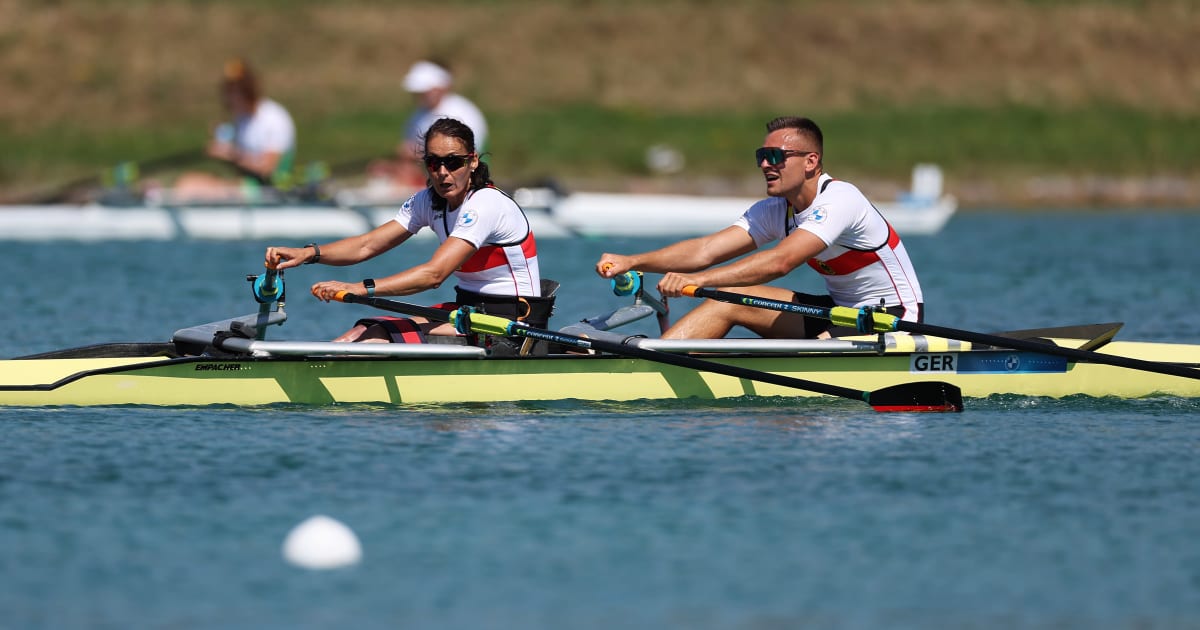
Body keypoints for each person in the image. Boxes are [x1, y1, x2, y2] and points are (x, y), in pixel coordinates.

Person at [595, 116, 925, 340]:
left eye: (776, 156)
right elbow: (704, 251)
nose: (765, 164)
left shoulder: (841, 199)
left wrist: (700, 281)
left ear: (810, 162)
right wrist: (632, 261)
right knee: (728, 301)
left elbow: (780, 262)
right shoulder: (776, 210)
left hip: (892, 319)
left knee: (727, 294)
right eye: (761, 156)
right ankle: (657, 362)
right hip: (839, 312)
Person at [266, 117, 553, 353]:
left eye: (453, 162)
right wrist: (310, 253)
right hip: (468, 312)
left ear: (473, 161)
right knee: (363, 329)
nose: (442, 172)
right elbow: (367, 245)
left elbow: (433, 275)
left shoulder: (486, 204)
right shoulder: (428, 201)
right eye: (434, 163)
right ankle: (311, 369)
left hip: (513, 326)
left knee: (379, 335)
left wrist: (360, 288)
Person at [171, 58, 296, 202]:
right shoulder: (242, 121)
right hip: (246, 184)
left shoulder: (274, 118)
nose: (228, 99)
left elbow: (267, 169)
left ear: (248, 91)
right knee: (186, 182)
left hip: (268, 188)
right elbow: (241, 163)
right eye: (227, 92)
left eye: (234, 92)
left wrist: (230, 154)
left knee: (188, 186)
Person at [367, 59, 489, 194]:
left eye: (425, 91)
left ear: (440, 88)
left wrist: (416, 154)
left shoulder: (463, 112)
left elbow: (462, 158)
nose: (420, 96)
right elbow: (409, 160)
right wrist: (391, 167)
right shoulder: (416, 117)